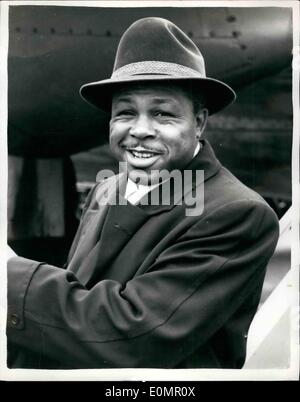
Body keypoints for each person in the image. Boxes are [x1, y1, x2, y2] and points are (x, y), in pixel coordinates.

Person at [7, 17, 279, 369]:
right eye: (125, 112)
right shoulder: (107, 188)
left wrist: (8, 277)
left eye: (163, 114)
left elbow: (135, 336)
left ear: (199, 122)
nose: (139, 130)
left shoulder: (237, 213)